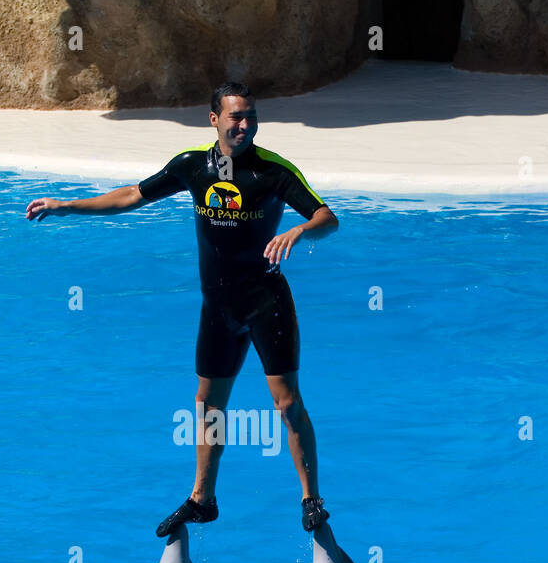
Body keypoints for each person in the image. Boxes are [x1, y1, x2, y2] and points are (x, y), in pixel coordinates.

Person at [26, 81, 339, 534]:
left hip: (265, 302)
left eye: (251, 116)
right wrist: (66, 206)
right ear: (214, 119)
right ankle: (202, 499)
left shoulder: (273, 171)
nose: (245, 125)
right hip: (217, 308)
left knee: (286, 404)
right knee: (208, 405)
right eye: (235, 116)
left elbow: (327, 218)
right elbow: (132, 195)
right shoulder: (193, 166)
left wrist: (298, 231)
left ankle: (310, 500)